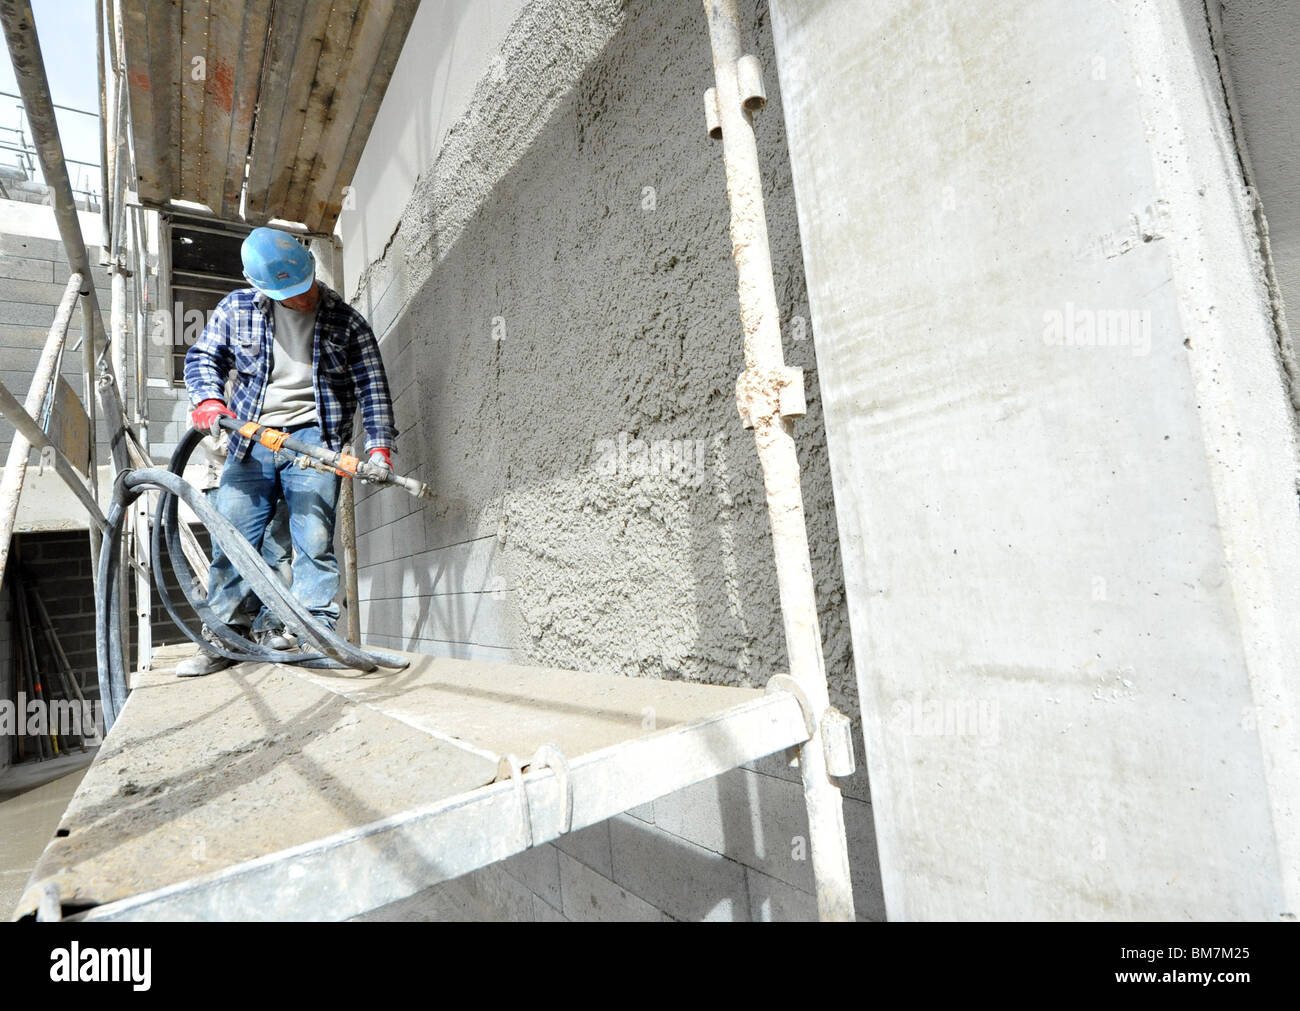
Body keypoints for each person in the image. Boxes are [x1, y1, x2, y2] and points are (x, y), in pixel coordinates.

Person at [177, 226, 398, 677]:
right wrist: (209, 399)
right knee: (233, 539)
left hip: (315, 440)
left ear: (311, 270)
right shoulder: (236, 309)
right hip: (251, 436)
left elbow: (374, 390)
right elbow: (203, 358)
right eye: (289, 295)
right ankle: (224, 638)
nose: (302, 299)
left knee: (313, 541)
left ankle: (315, 635)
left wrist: (379, 450)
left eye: (305, 288)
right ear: (260, 287)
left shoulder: (347, 322)